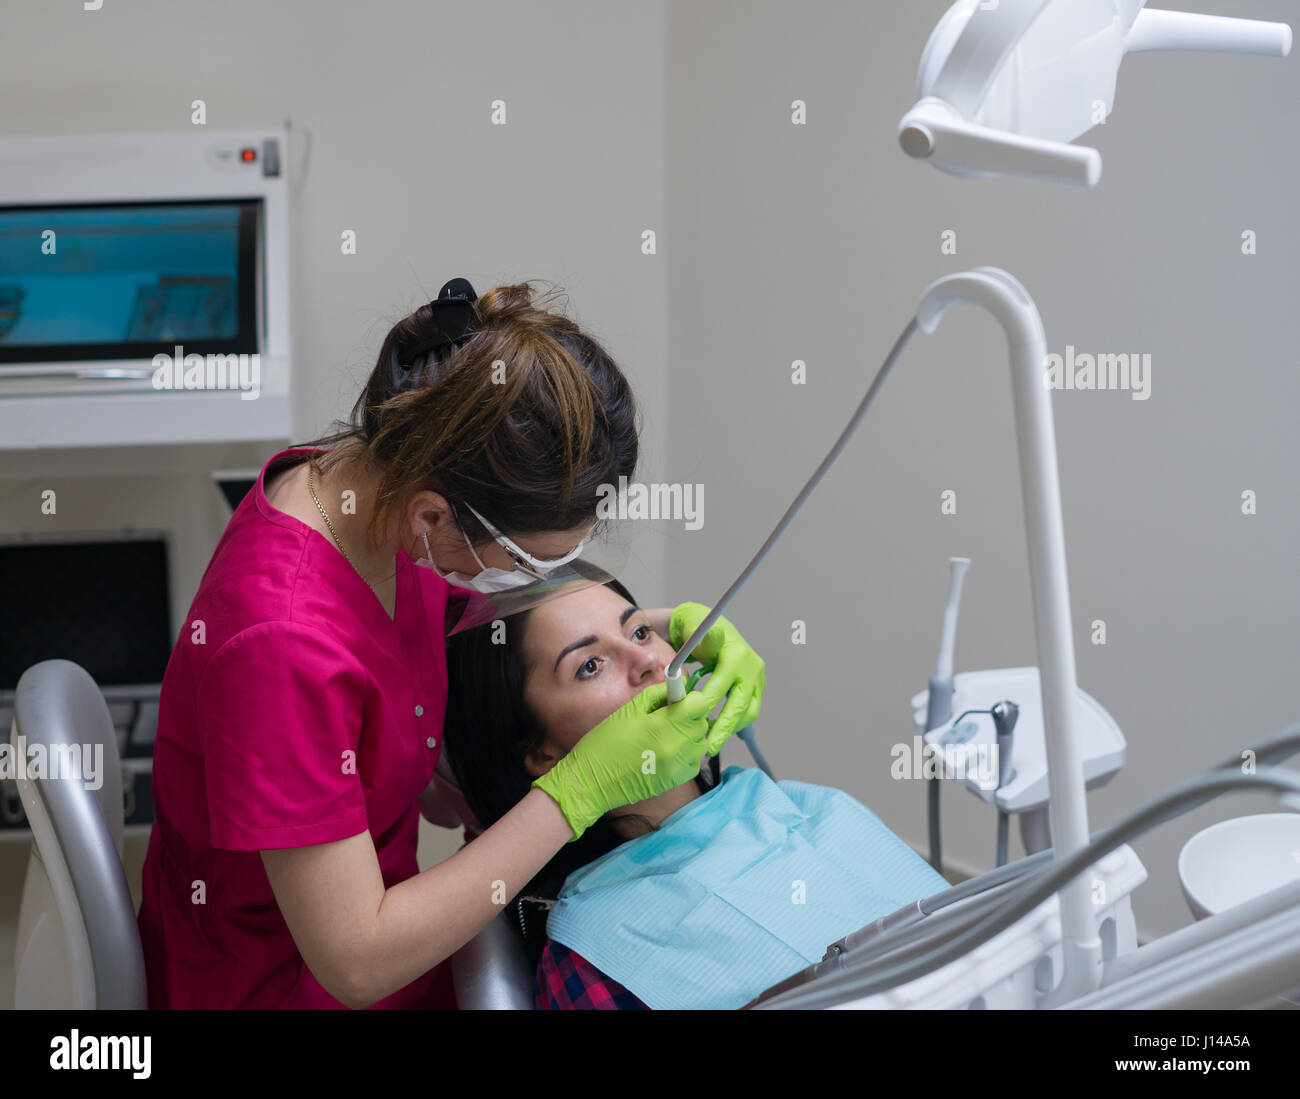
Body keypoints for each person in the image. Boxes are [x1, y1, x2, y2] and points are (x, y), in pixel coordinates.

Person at [137, 278, 766, 1008]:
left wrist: (659, 626)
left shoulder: (376, 482)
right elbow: (358, 961)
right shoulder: (280, 643)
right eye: (532, 563)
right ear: (433, 516)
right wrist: (582, 789)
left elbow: (473, 619)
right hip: (284, 983)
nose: (538, 582)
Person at [443, 580, 949, 1010]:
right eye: (590, 666)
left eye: (640, 630)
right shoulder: (594, 955)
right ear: (541, 754)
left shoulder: (817, 809)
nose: (646, 659)